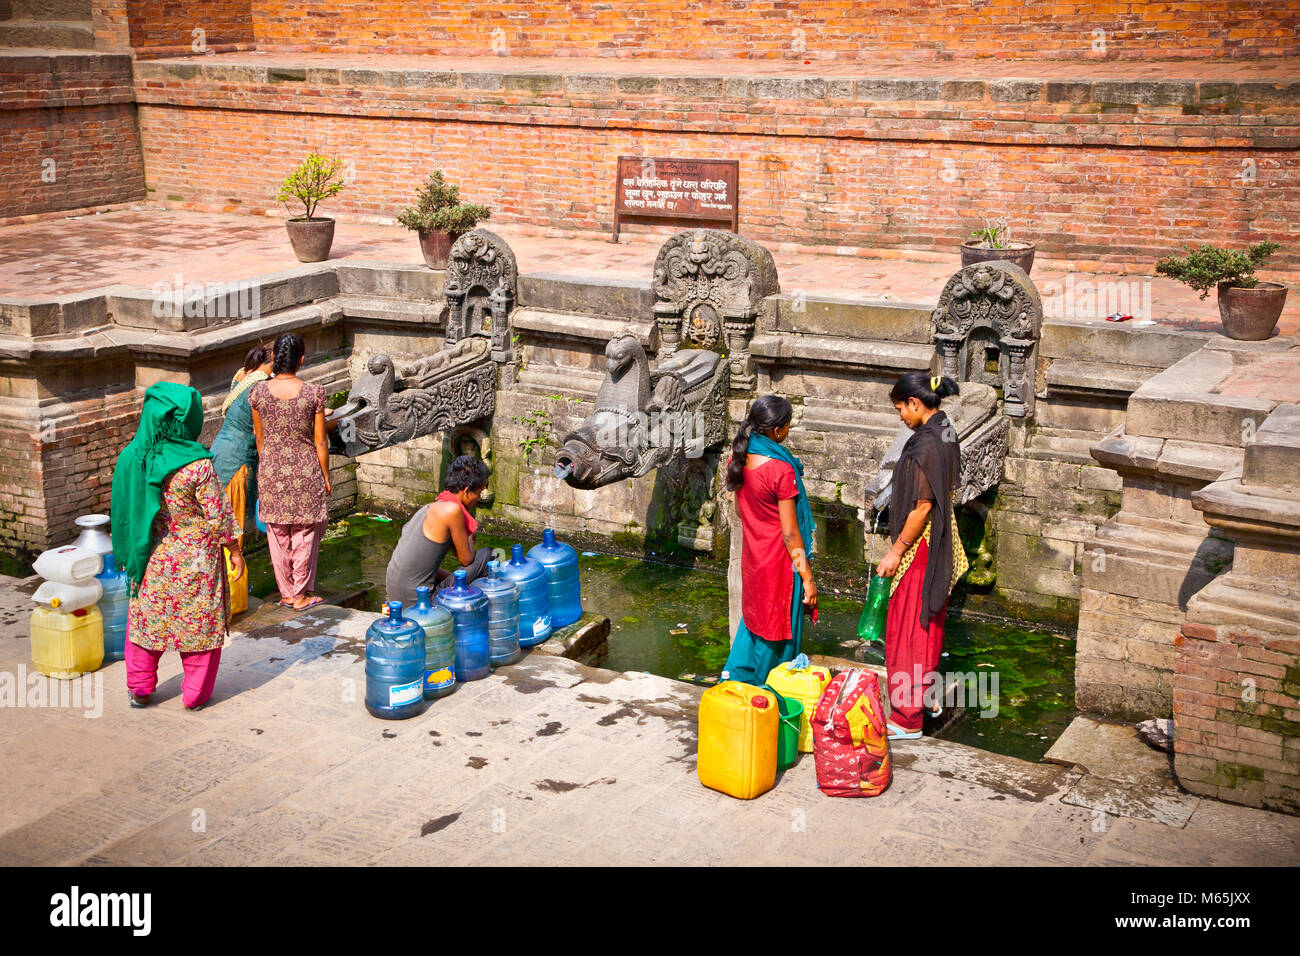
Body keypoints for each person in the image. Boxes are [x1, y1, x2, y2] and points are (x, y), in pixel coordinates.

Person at [111, 382, 245, 710]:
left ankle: (140, 689)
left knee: (147, 622)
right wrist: (235, 550)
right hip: (196, 561)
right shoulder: (196, 465)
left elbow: (123, 510)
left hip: (152, 557)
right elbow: (218, 514)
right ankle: (194, 696)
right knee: (199, 625)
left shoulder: (134, 457)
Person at [875, 372, 966, 741]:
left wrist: (896, 552)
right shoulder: (946, 429)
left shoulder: (926, 445)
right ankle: (927, 698)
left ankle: (906, 717)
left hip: (922, 543)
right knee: (929, 620)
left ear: (915, 403)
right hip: (942, 536)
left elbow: (922, 506)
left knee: (907, 626)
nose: (900, 417)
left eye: (900, 409)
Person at [720, 395, 817, 685]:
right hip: (779, 567)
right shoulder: (780, 470)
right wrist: (808, 578)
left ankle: (737, 687)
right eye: (787, 426)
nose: (787, 432)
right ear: (777, 431)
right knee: (778, 630)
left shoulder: (738, 457)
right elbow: (789, 533)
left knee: (753, 623)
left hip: (754, 560)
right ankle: (768, 697)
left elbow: (740, 510)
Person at [249, 332, 331, 611]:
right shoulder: (313, 393)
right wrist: (326, 475)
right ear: (302, 360)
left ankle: (287, 593)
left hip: (271, 469)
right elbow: (320, 441)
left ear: (274, 359)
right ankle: (300, 594)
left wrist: (269, 468)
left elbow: (259, 439)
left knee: (277, 533)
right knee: (305, 533)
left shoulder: (258, 392)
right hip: (305, 471)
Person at [385, 455, 493, 608]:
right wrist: (469, 535)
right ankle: (482, 612)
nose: (479, 498)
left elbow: (425, 569)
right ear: (467, 491)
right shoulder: (452, 510)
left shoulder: (429, 508)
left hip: (396, 600)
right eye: (479, 492)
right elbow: (466, 559)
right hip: (421, 604)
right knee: (487, 555)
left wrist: (453, 578)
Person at [210, 345, 272, 600]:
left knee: (218, 523)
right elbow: (263, 433)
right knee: (231, 529)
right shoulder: (261, 387)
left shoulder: (242, 377)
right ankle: (229, 593)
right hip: (237, 462)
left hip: (219, 453)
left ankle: (224, 588)